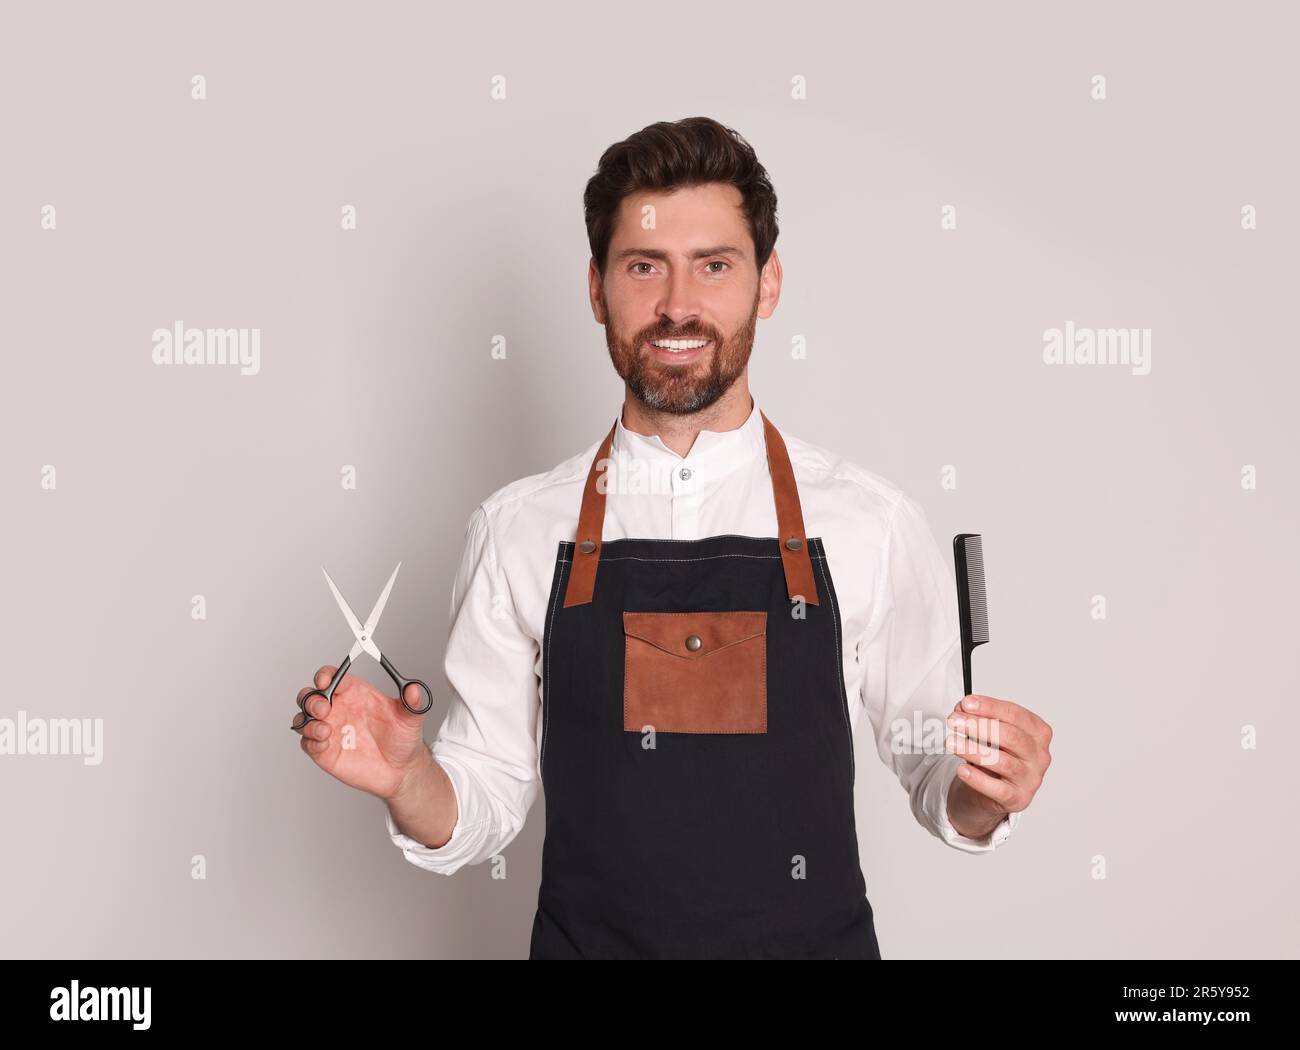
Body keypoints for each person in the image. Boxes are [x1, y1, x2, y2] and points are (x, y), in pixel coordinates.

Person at [292, 116, 1053, 960]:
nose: (678, 305)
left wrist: (988, 789)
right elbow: (485, 796)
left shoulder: (869, 522)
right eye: (644, 266)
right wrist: (409, 779)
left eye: (714, 265)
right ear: (597, 289)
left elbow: (935, 771)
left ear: (767, 284)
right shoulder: (516, 530)